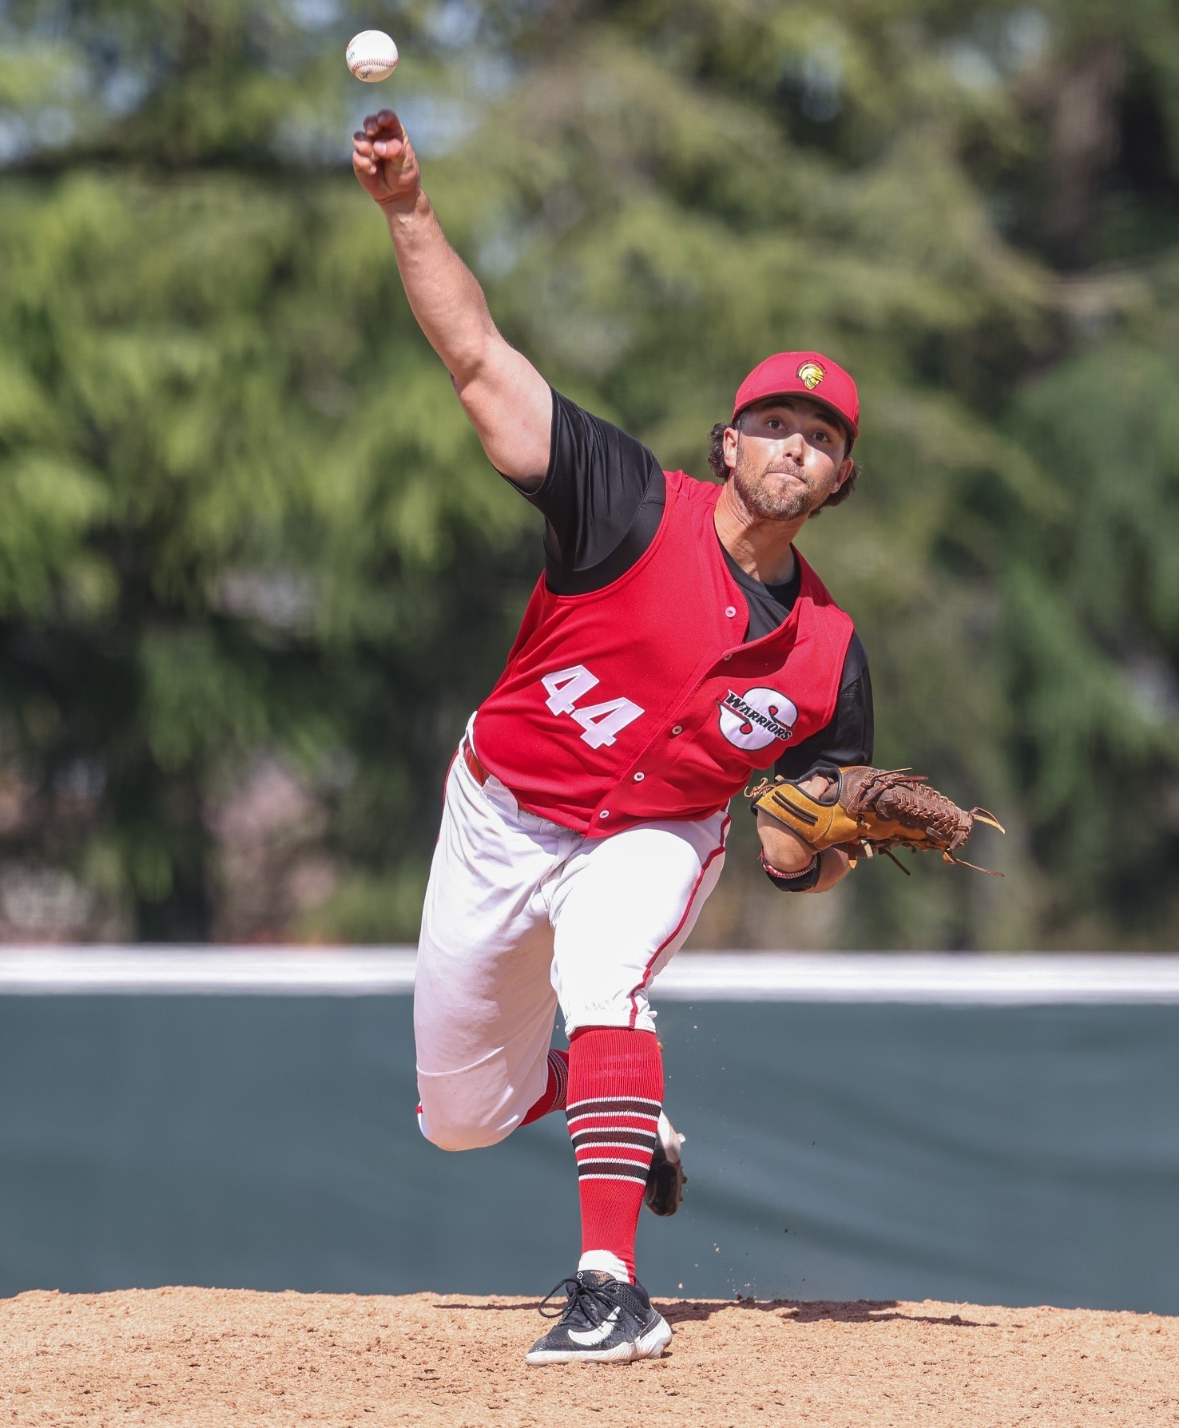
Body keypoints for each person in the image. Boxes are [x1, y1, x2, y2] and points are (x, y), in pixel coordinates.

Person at [352, 108, 875, 1365]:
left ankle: (609, 1291)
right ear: (728, 440)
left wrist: (811, 846)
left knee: (604, 979)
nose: (794, 448)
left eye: (822, 441)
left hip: (657, 832)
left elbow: (809, 855)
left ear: (838, 483)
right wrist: (406, 206)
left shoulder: (828, 654)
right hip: (499, 810)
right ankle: (624, 1112)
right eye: (775, 425)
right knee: (460, 1124)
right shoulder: (623, 502)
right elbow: (478, 357)